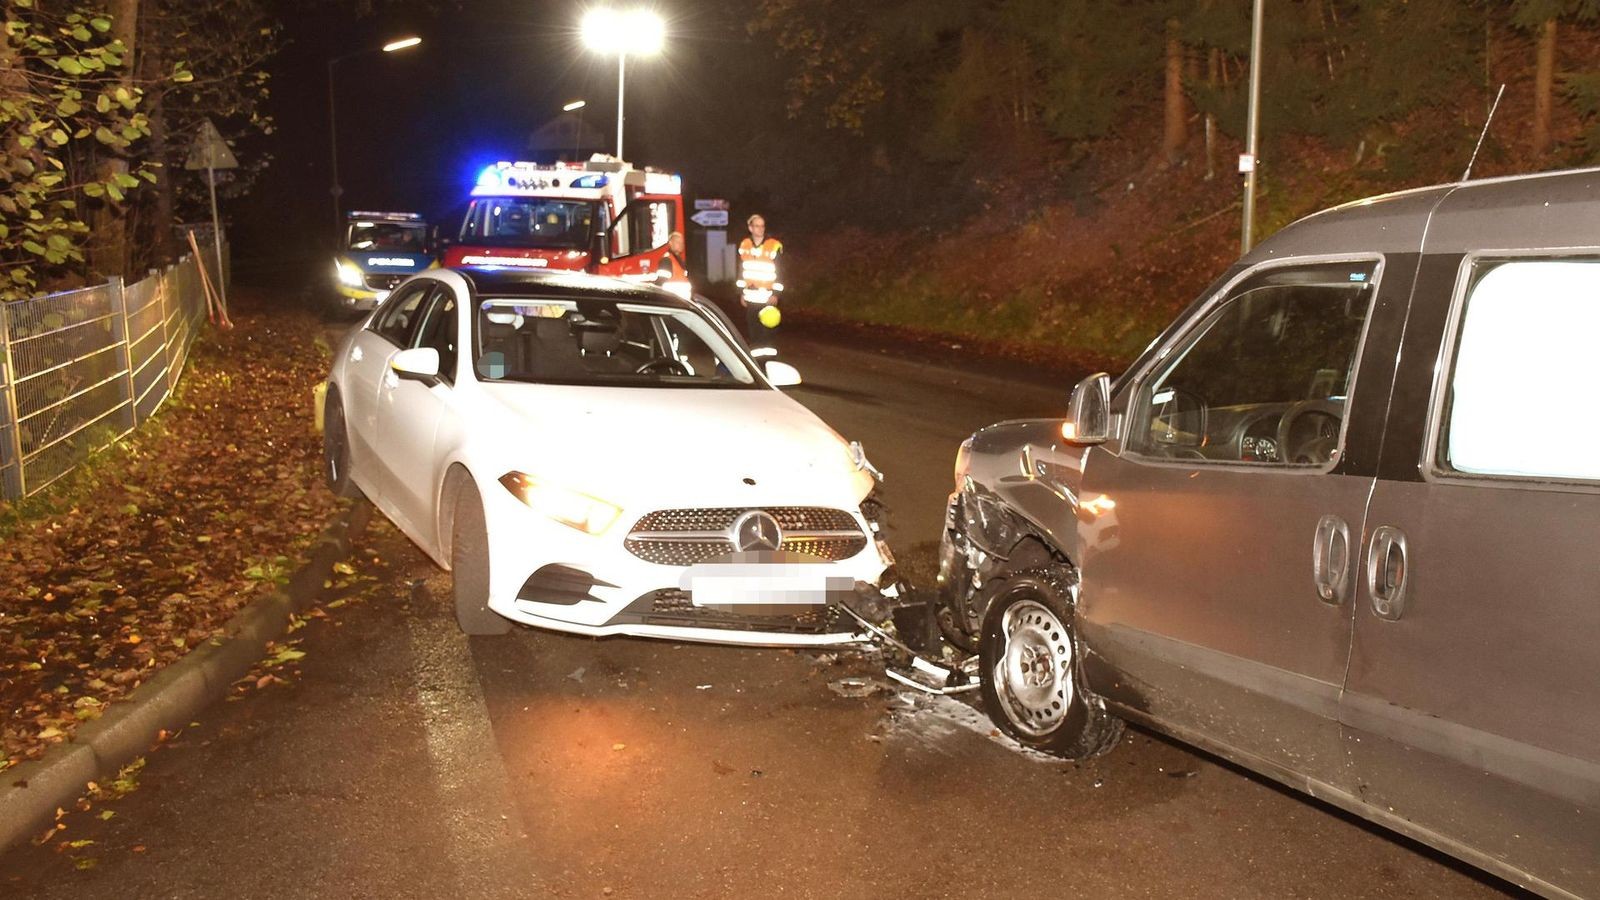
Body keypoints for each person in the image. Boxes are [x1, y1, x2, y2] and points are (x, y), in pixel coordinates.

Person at [736, 214, 784, 347]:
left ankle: (767, 356)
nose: (761, 229)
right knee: (753, 333)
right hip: (750, 296)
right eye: (757, 226)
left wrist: (776, 294)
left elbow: (780, 272)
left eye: (762, 226)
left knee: (767, 333)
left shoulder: (773, 245)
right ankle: (756, 357)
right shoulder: (745, 245)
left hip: (767, 296)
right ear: (750, 228)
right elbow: (741, 271)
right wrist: (741, 293)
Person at [653, 230, 692, 299]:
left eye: (682, 243)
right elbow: (660, 282)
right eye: (678, 242)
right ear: (670, 243)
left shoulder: (679, 260)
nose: (681, 245)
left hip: (681, 299)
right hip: (672, 299)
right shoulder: (666, 260)